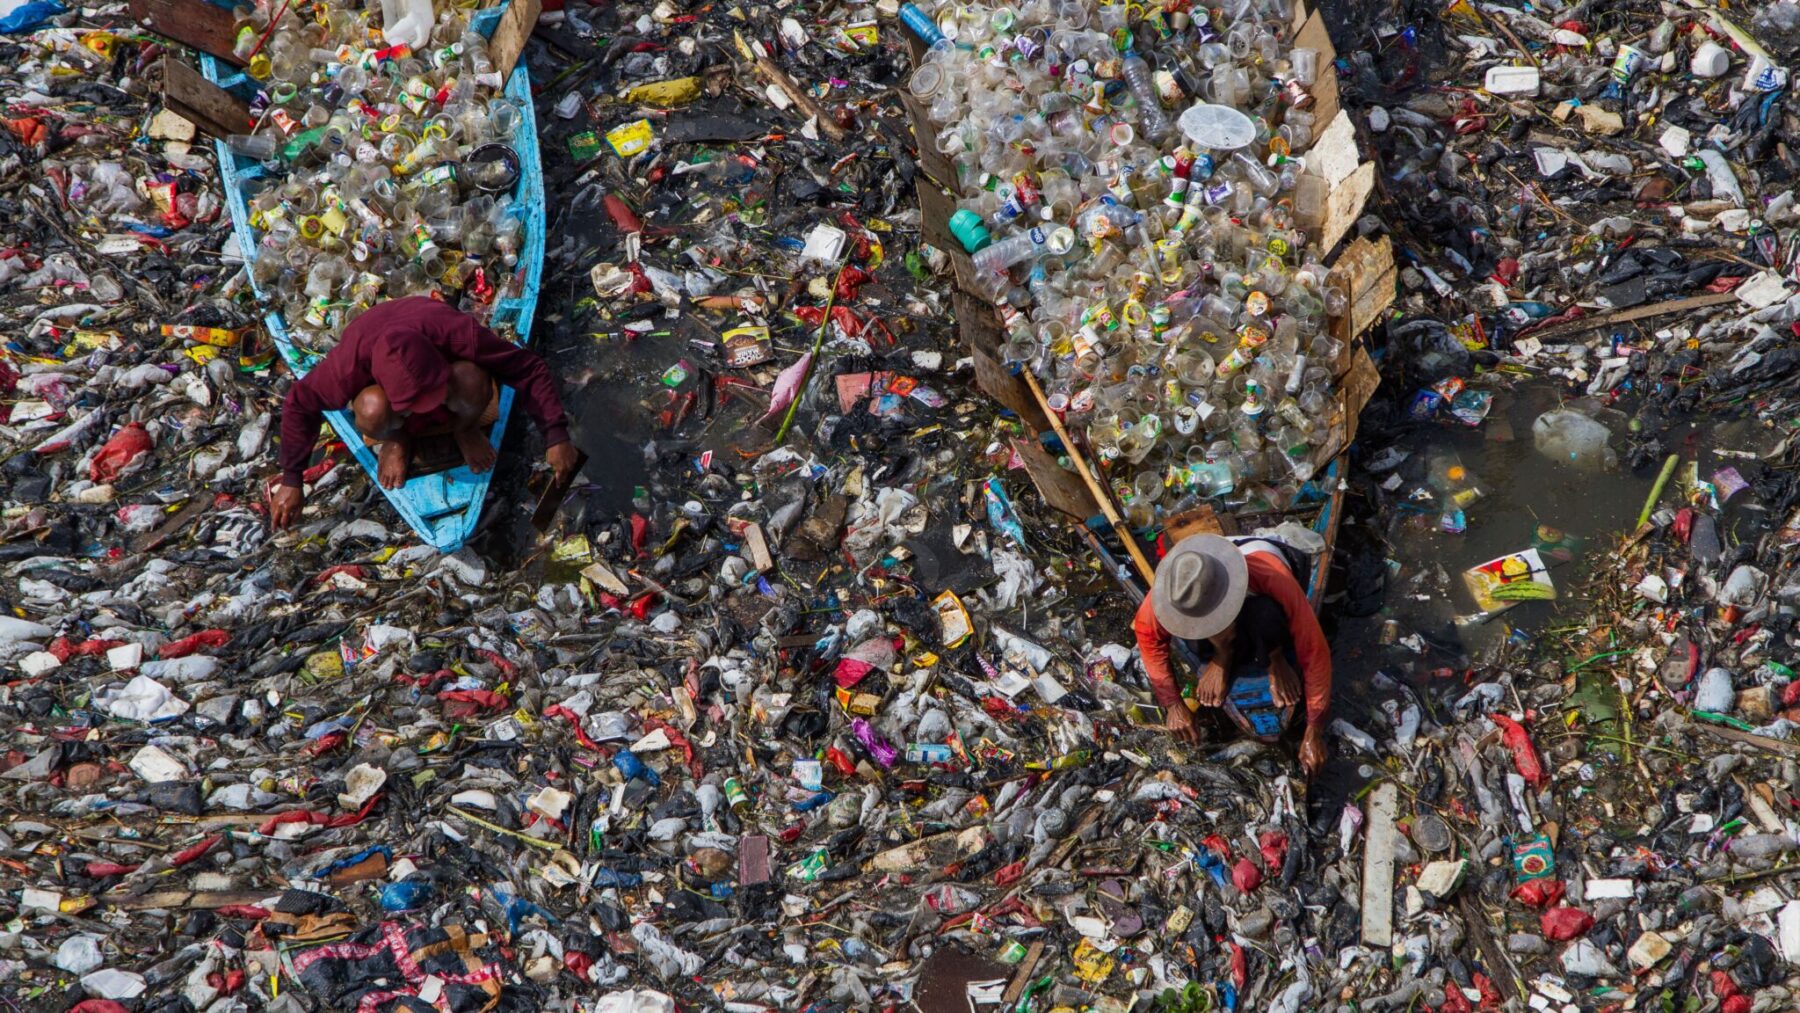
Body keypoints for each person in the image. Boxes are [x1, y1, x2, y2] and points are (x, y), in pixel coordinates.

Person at [270, 296, 579, 528]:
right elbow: (299, 403)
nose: (430, 410)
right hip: (388, 408)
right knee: (370, 409)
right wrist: (292, 479)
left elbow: (527, 367)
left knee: (471, 379)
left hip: (452, 381)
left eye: (434, 395)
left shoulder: (454, 332)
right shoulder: (348, 366)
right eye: (414, 407)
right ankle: (398, 438)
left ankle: (465, 428)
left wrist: (556, 435)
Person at [1133, 533, 1332, 775]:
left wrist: (1314, 728)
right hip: (1220, 639)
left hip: (1260, 607)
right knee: (1190, 637)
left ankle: (1275, 657)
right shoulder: (1167, 598)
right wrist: (1173, 704)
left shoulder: (1269, 572)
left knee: (1264, 615)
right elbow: (1148, 639)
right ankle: (1222, 657)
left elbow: (1314, 651)